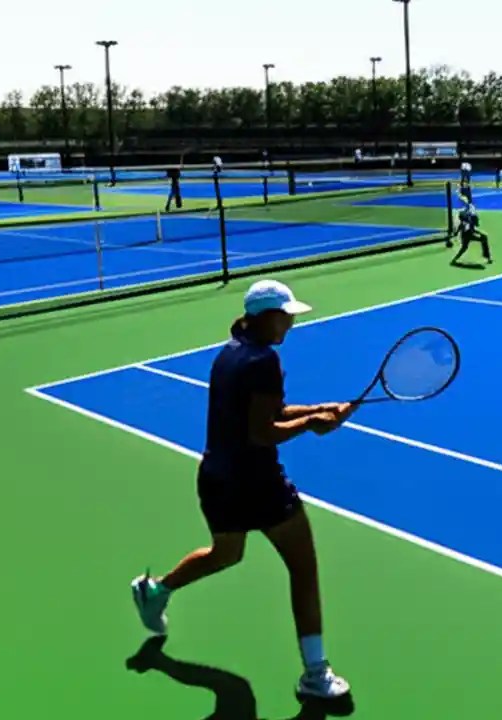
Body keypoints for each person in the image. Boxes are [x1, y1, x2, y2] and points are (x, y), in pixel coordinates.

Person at [130, 279, 356, 701]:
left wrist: (318, 409)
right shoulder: (265, 361)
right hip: (258, 482)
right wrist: (312, 425)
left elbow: (267, 411)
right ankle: (314, 673)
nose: (290, 321)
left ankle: (155, 590)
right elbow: (262, 431)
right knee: (303, 569)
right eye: (285, 314)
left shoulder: (231, 354)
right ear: (265, 317)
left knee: (226, 554)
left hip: (217, 478)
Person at [451, 197, 491, 266]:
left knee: (465, 247)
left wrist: (478, 232)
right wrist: (457, 232)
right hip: (467, 235)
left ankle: (487, 257)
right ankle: (487, 257)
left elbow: (471, 228)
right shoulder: (467, 220)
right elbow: (466, 228)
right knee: (465, 247)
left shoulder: (469, 219)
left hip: (469, 234)